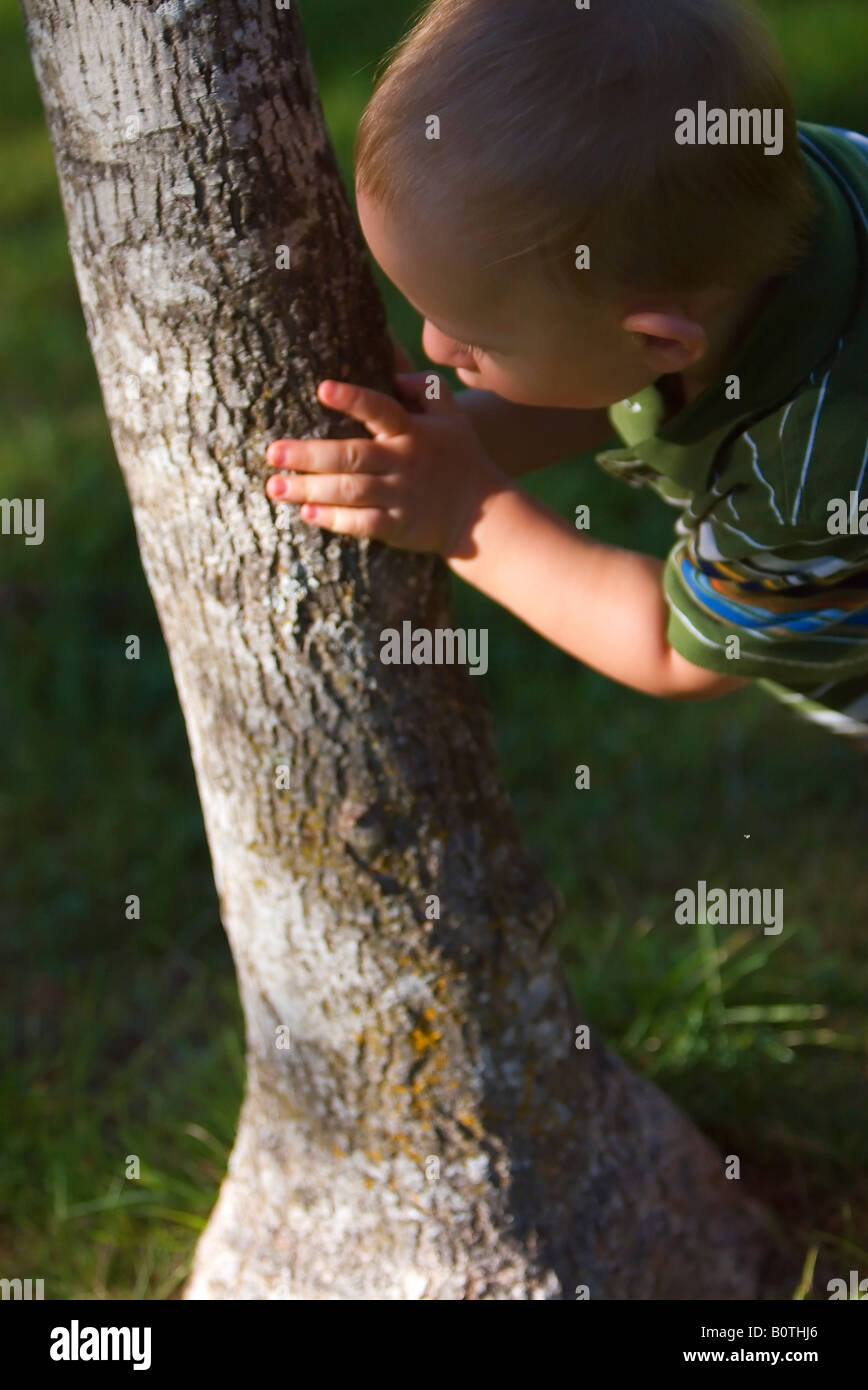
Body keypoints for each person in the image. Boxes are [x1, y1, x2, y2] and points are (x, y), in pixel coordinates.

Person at [265, 0, 868, 748]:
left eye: (478, 341)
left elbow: (677, 649)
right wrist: (444, 441)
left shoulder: (806, 474)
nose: (435, 348)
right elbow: (604, 372)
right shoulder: (765, 195)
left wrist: (464, 510)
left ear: (659, 342)